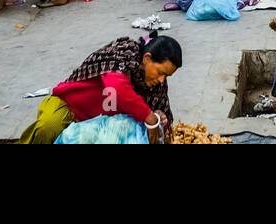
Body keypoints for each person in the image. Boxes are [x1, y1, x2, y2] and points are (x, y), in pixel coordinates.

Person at [19, 36, 181, 145]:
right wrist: (149, 116)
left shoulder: (157, 86)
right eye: (161, 72)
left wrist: (160, 118)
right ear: (147, 58)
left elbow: (161, 123)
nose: (162, 80)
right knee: (49, 127)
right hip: (70, 106)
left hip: (103, 127)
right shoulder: (123, 51)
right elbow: (116, 87)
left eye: (167, 76)